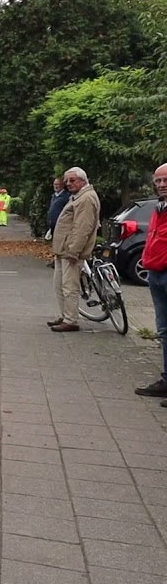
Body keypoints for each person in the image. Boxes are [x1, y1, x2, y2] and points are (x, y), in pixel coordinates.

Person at [48, 167, 101, 332]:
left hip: (70, 251)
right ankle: (66, 315)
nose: (68, 183)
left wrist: (74, 251)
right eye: (67, 181)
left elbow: (82, 228)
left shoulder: (86, 199)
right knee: (60, 284)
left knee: (69, 286)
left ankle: (71, 320)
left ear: (83, 180)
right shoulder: (78, 196)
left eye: (72, 180)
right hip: (63, 249)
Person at [134, 163, 167, 404]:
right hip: (155, 274)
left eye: (165, 180)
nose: (162, 185)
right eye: (158, 181)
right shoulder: (158, 208)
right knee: (164, 331)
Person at [45, 177, 70, 241]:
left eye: (57, 184)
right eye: (54, 184)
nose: (55, 186)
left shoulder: (67, 196)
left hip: (61, 225)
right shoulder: (53, 196)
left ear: (62, 185)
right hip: (53, 225)